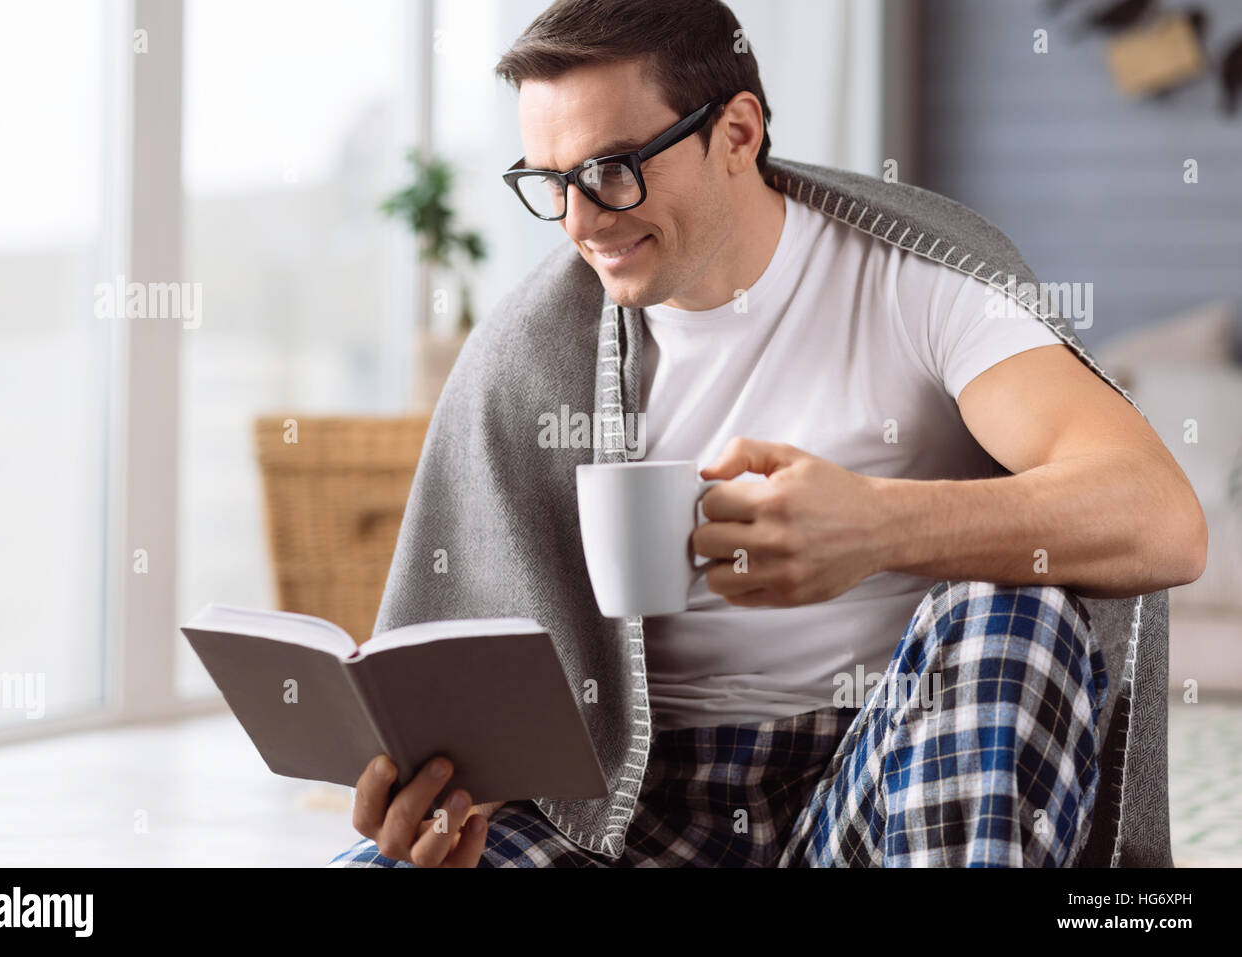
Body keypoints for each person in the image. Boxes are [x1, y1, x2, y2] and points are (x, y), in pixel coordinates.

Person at [331, 0, 1206, 868]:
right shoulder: (528, 350)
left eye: (612, 170)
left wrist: (879, 527)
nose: (581, 222)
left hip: (886, 784)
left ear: (738, 134)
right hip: (626, 811)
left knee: (1011, 613)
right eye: (551, 181)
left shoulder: (920, 284)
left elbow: (1161, 516)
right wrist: (443, 795)